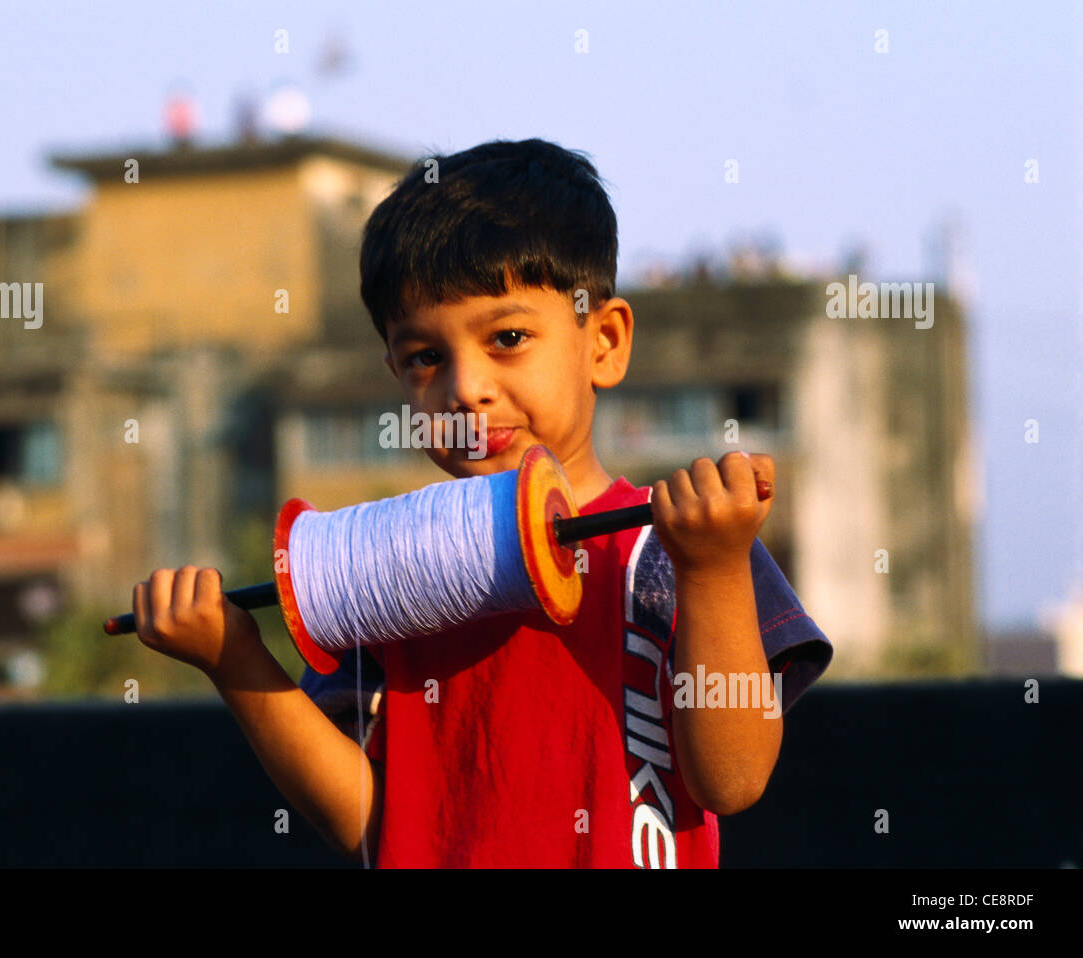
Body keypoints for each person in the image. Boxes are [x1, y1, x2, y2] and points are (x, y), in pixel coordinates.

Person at [130, 138, 832, 867]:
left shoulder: (679, 544)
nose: (464, 387)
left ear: (606, 343)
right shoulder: (385, 570)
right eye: (425, 358)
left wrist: (714, 570)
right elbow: (369, 825)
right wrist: (235, 658)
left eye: (507, 338)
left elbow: (735, 779)